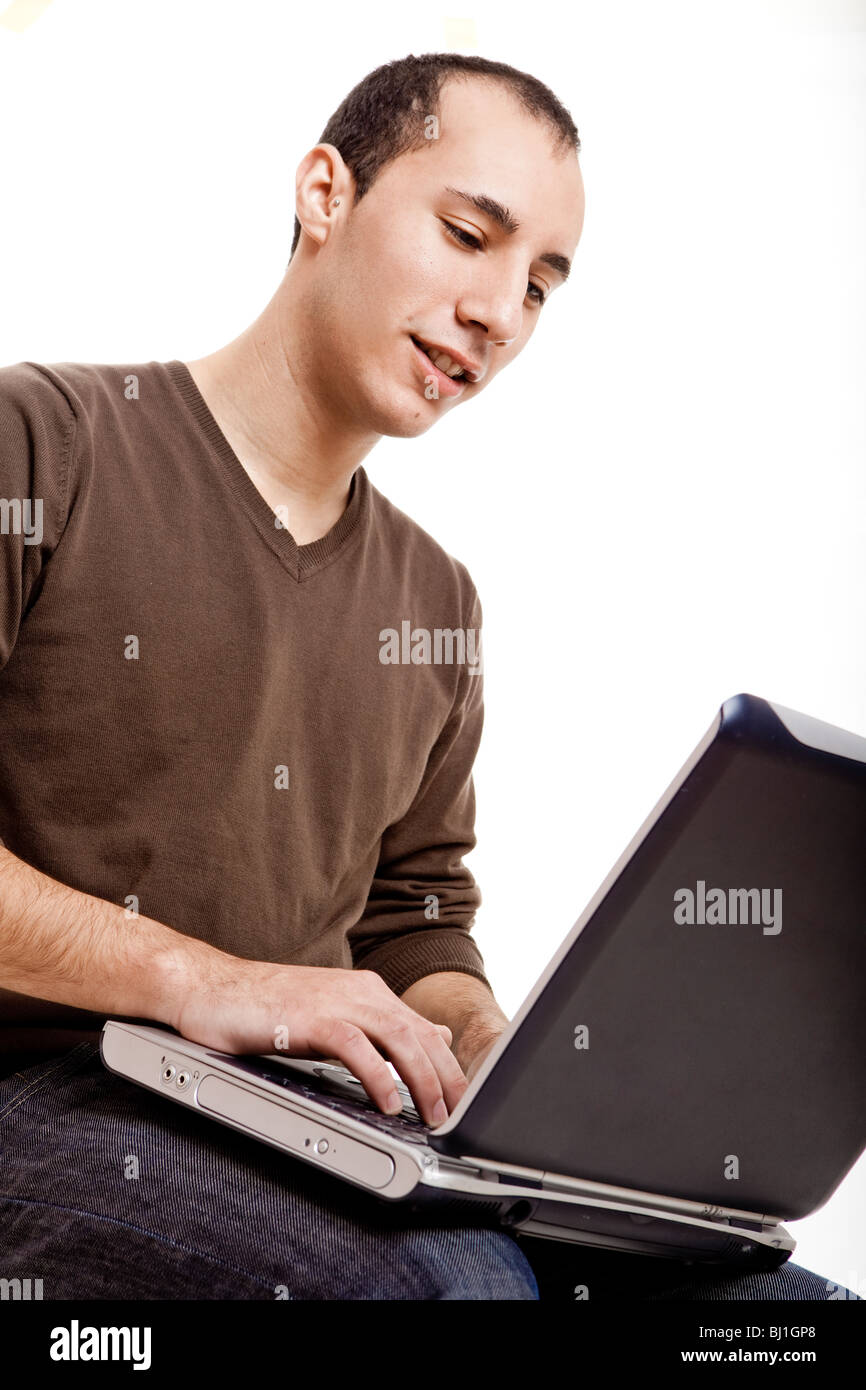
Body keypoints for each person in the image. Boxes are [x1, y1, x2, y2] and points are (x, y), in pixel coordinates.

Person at [0, 52, 856, 1301]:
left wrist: (487, 1047)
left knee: (787, 1317)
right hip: (48, 1096)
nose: (499, 313)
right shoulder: (47, 442)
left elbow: (411, 915)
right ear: (323, 193)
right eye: (467, 235)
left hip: (298, 1114)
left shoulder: (435, 603)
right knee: (466, 1288)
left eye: (539, 286)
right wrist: (213, 981)